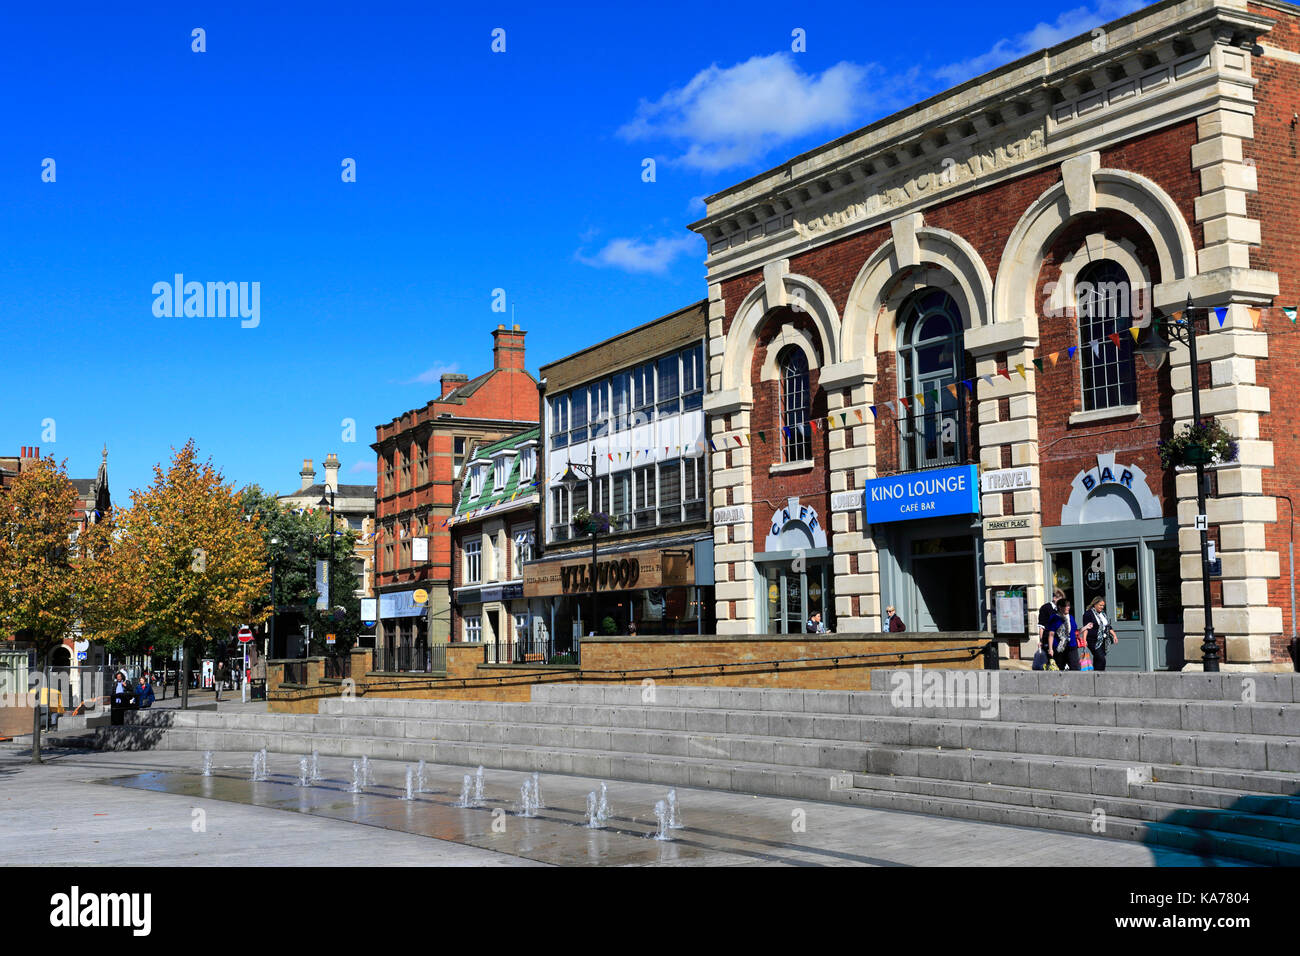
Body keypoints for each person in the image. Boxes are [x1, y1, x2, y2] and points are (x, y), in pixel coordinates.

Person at [1046, 597, 1093, 670]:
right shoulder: (1054, 618)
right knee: (1060, 668)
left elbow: (1075, 632)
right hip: (1059, 648)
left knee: (1075, 668)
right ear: (1060, 607)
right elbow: (1051, 634)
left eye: (1069, 606)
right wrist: (1050, 649)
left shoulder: (1070, 617)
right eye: (1066, 606)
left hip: (1072, 646)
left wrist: (1086, 627)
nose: (1068, 607)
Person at [1082, 596, 1117, 671]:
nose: (1102, 607)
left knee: (1098, 659)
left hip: (1103, 640)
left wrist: (1114, 635)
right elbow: (1086, 628)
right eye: (1100, 605)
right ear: (1095, 604)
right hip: (1093, 640)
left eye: (1103, 605)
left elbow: (1108, 626)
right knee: (1101, 659)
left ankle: (1096, 676)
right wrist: (1084, 640)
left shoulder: (1103, 614)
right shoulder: (1088, 614)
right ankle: (1100, 675)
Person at [1037, 589, 1066, 653]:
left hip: (1059, 639)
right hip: (1047, 638)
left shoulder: (1060, 609)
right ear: (1055, 598)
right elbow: (1041, 626)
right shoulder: (1045, 608)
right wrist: (1041, 641)